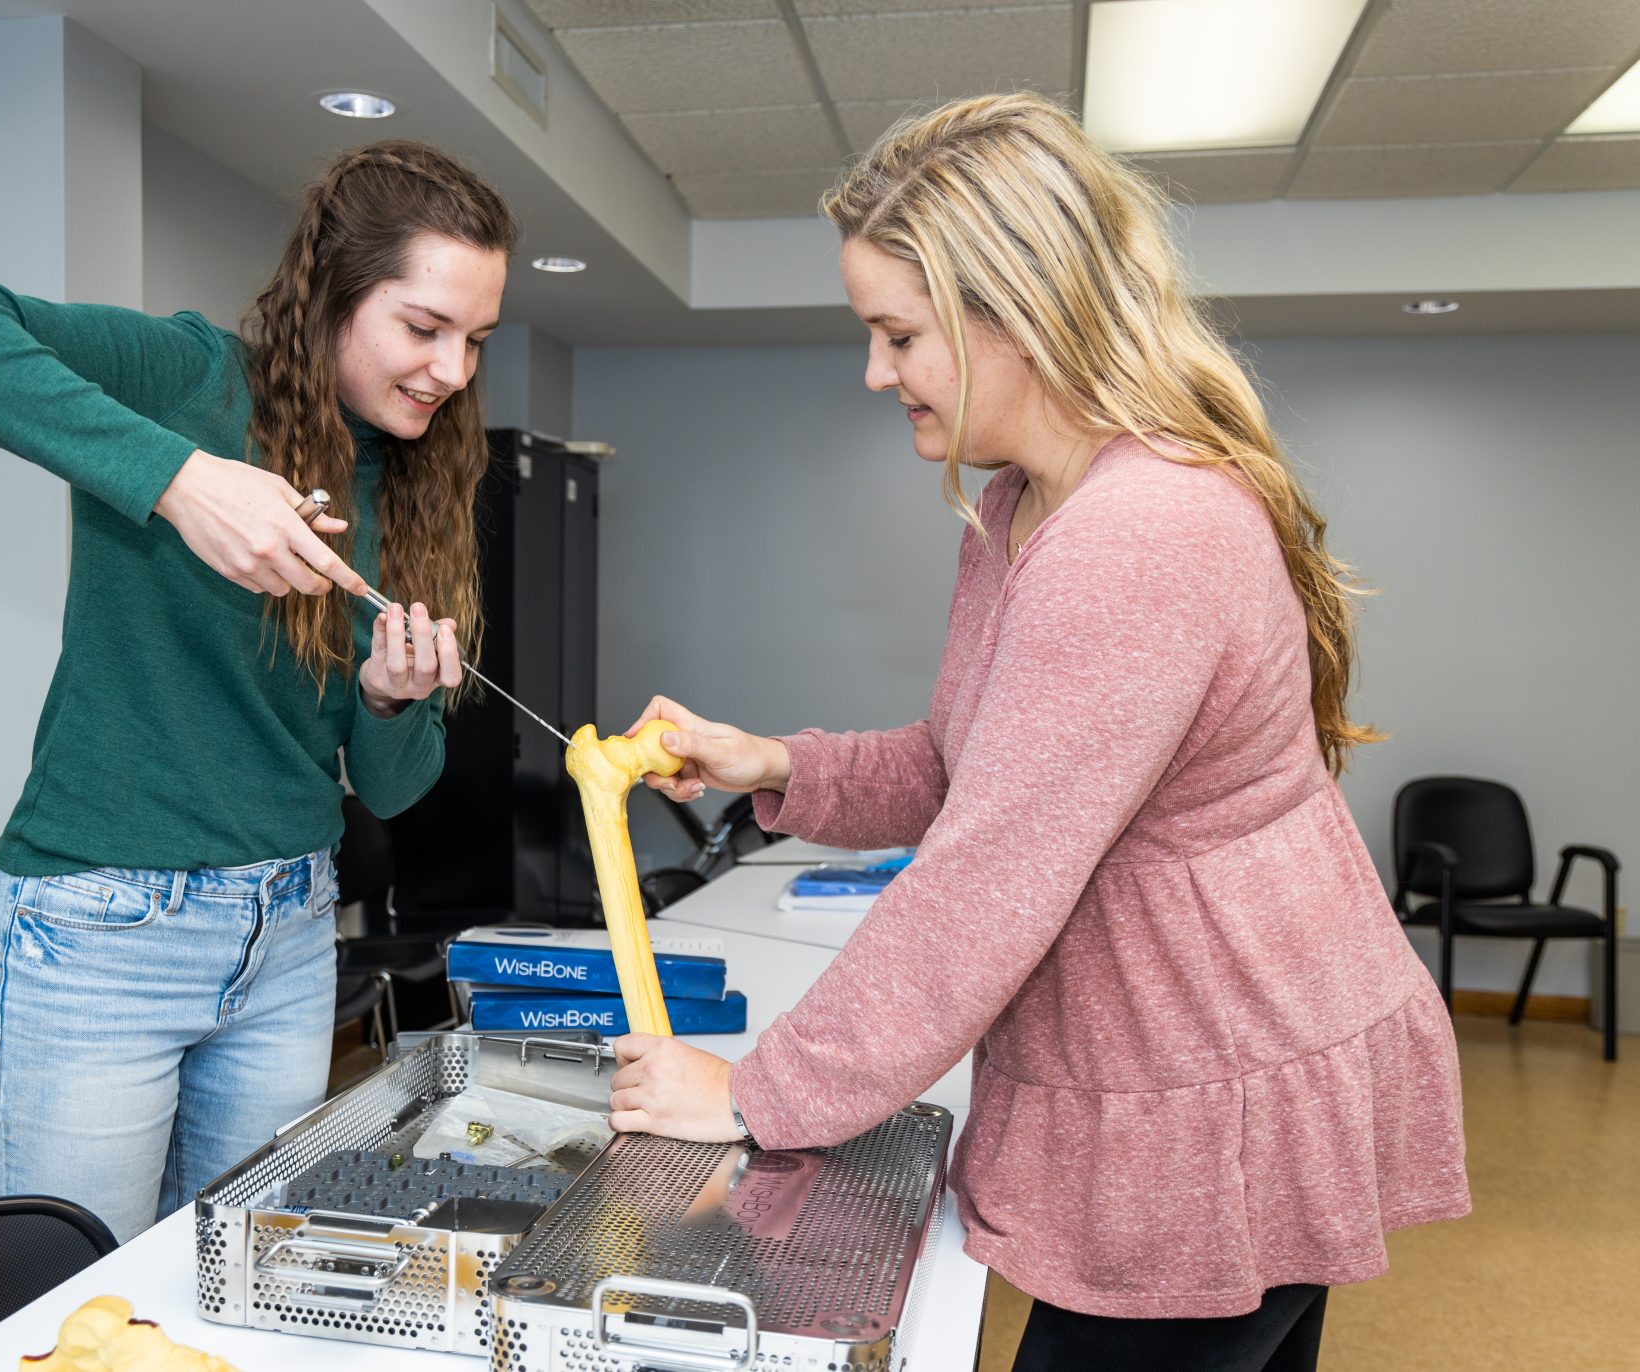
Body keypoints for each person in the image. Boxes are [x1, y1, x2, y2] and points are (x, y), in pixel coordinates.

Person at [605, 94, 1469, 1370]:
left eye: (899, 334)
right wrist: (777, 764)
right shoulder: (1023, 509)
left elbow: (988, 879)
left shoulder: (1135, 535)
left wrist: (754, 1094)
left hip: (1213, 1090)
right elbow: (978, 768)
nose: (874, 370)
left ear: (1020, 312)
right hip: (1212, 1061)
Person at [0, 140, 515, 1242]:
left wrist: (389, 701)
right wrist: (179, 481)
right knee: (76, 1306)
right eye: (423, 327)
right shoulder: (186, 379)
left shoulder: (419, 482)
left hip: (289, 934)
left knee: (232, 1288)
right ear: (331, 294)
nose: (452, 370)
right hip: (101, 935)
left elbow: (389, 790)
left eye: (475, 339)